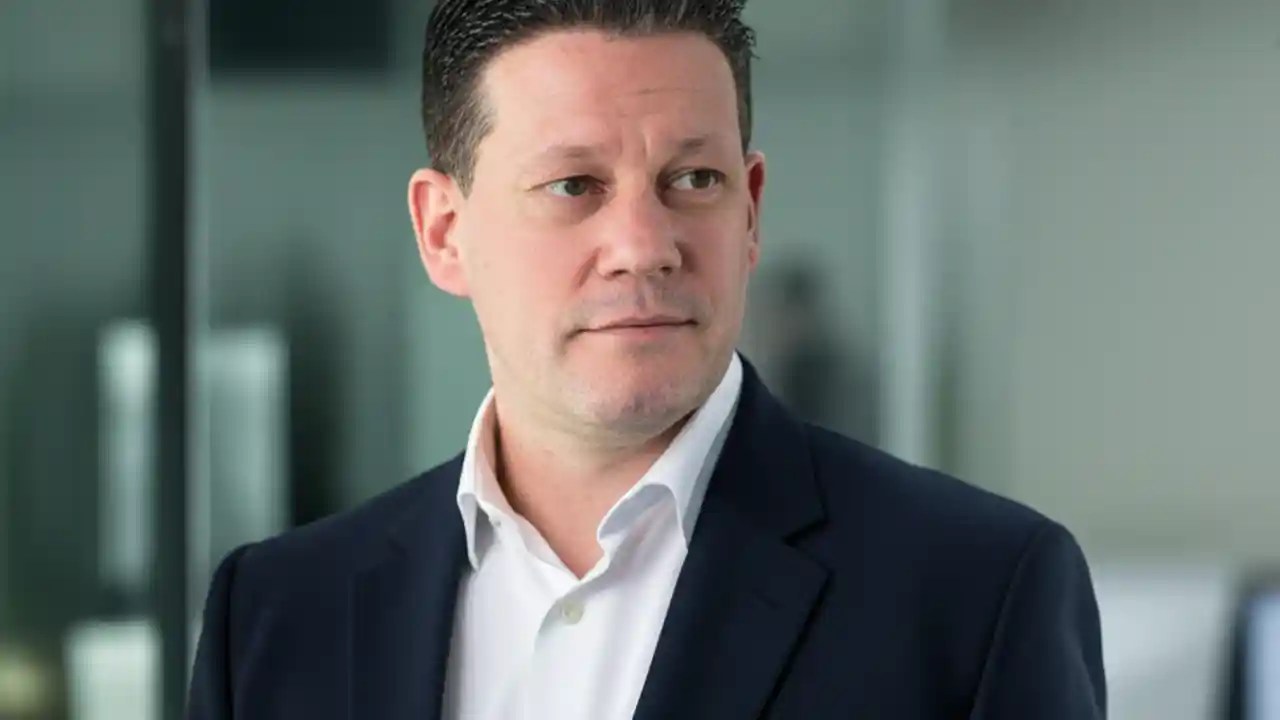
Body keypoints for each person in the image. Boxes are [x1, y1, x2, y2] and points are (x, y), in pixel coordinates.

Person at [187, 1, 1106, 718]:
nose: (643, 244)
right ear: (444, 232)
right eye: (573, 185)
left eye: (692, 180)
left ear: (749, 211)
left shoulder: (977, 594)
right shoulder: (273, 617)